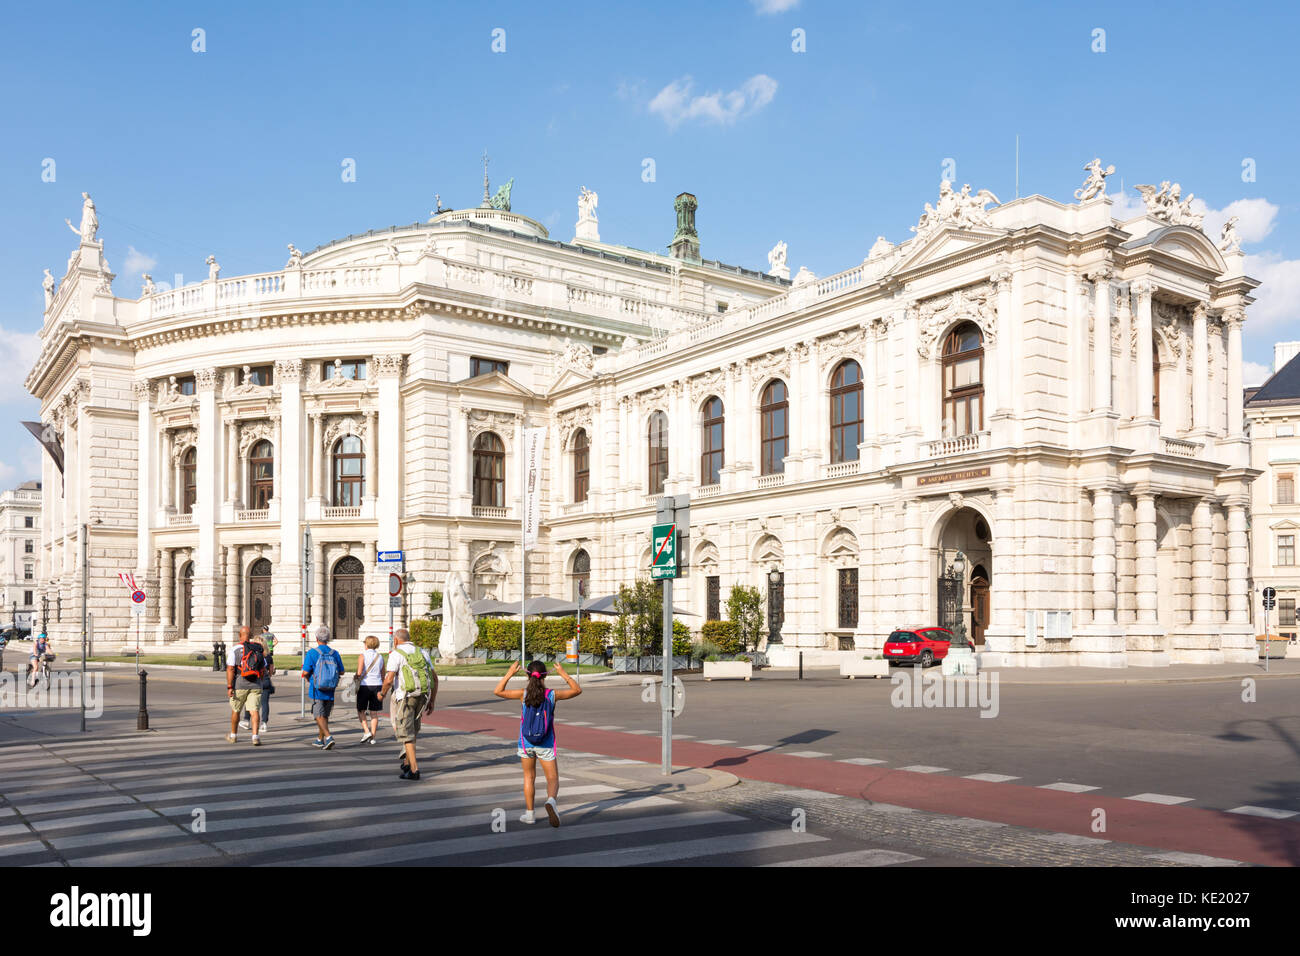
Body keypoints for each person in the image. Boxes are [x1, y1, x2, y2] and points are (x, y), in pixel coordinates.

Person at [493, 660, 581, 827]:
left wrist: (510, 672)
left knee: (529, 777)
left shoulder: (522, 694)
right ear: (545, 676)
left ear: (528, 675)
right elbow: (577, 690)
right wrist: (563, 673)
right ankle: (551, 801)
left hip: (526, 743)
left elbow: (498, 691)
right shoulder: (552, 695)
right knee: (553, 778)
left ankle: (530, 814)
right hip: (545, 743)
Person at [377, 629, 436, 780]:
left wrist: (382, 694)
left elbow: (389, 679)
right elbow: (434, 678)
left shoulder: (396, 654)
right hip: (422, 696)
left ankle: (414, 769)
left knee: (406, 732)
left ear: (396, 640)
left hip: (405, 697)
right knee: (413, 729)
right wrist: (432, 700)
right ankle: (407, 762)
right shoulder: (422, 652)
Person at [302, 625, 344, 749]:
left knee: (318, 715)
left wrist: (308, 678)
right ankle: (320, 739)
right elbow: (341, 671)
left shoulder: (312, 653)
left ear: (316, 638)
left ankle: (328, 736)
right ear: (328, 638)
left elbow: (305, 672)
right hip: (330, 689)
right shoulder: (334, 653)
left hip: (317, 689)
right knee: (324, 715)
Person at [225, 626, 265, 746]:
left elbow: (231, 668)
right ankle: (255, 737)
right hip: (256, 684)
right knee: (254, 711)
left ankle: (233, 736)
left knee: (236, 710)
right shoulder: (258, 649)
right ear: (251, 635)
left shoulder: (235, 649)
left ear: (239, 635)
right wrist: (259, 681)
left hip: (240, 684)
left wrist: (229, 686)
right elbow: (264, 667)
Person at [240, 626, 276, 731]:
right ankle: (264, 724)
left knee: (250, 701)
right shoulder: (268, 657)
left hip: (255, 681)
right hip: (265, 681)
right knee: (265, 704)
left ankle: (246, 721)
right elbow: (271, 672)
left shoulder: (253, 655)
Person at [355, 635, 385, 744]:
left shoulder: (362, 656)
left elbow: (359, 673)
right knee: (374, 712)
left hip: (364, 685)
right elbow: (383, 674)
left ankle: (366, 731)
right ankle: (373, 737)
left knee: (361, 710)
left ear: (367, 644)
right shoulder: (380, 657)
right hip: (377, 685)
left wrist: (355, 678)